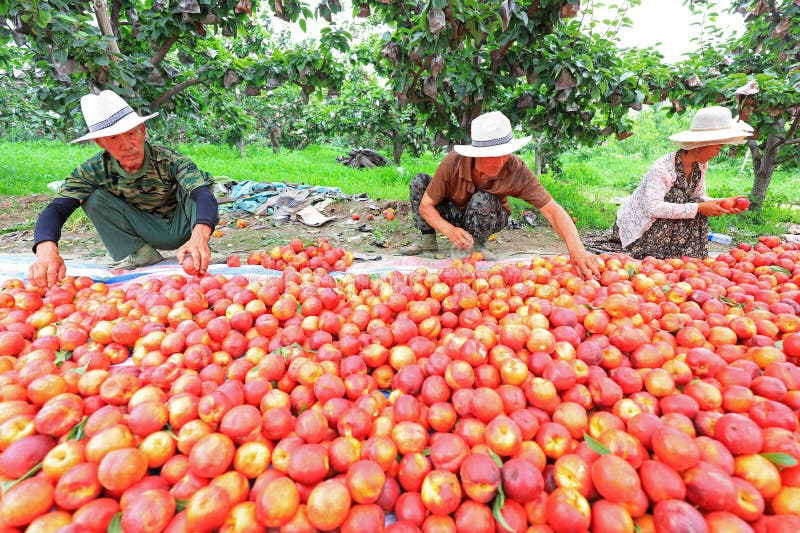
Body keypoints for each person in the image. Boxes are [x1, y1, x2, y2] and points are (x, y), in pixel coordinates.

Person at [28, 90, 219, 288]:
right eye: (112, 138)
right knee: (91, 196)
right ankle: (139, 254)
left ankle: (199, 248)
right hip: (142, 229)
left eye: (130, 133)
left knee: (198, 185)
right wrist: (46, 250)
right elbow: (55, 210)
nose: (126, 145)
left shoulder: (170, 160)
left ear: (142, 130)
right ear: (100, 142)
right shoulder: (92, 170)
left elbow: (202, 196)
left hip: (185, 226)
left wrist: (200, 235)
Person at [399, 110, 601, 280]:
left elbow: (552, 210)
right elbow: (426, 205)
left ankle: (477, 245)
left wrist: (577, 251)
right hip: (452, 212)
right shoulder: (454, 162)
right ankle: (427, 240)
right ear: (475, 154)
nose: (500, 161)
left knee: (484, 199)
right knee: (419, 181)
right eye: (491, 156)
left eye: (504, 154)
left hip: (487, 214)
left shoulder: (515, 168)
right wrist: (450, 231)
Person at [584, 106, 753, 259]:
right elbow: (653, 208)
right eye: (718, 148)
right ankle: (658, 252)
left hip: (666, 231)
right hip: (642, 229)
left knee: (693, 202)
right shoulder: (664, 167)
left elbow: (698, 196)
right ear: (701, 145)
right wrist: (700, 207)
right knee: (679, 197)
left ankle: (682, 252)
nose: (718, 153)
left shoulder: (701, 165)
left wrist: (721, 203)